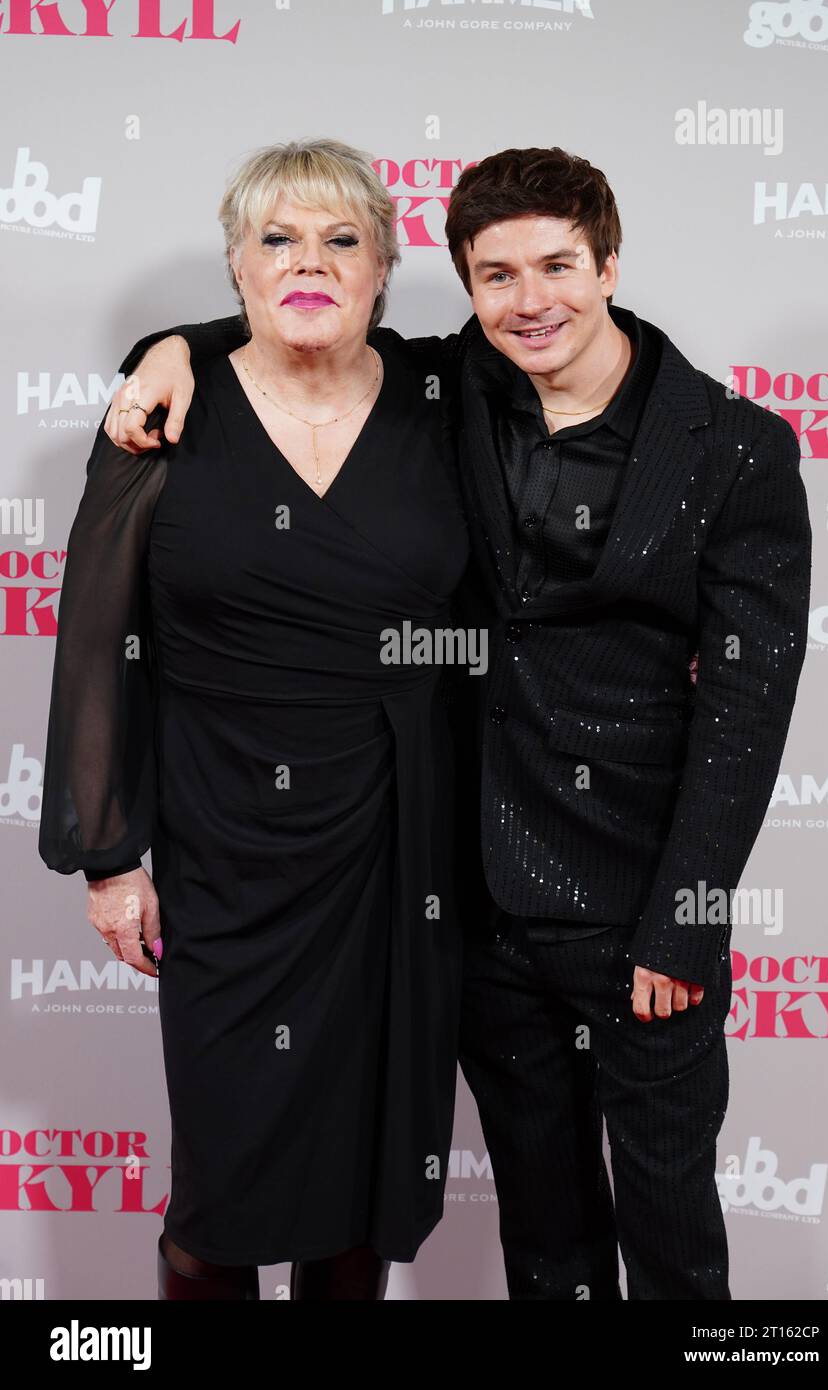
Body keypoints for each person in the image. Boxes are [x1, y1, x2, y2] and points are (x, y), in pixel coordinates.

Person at [103, 146, 812, 1300]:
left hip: (638, 905)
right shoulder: (450, 388)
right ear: (464, 288)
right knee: (542, 1231)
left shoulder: (731, 447)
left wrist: (684, 922)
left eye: (556, 267)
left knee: (671, 1233)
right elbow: (294, 312)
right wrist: (165, 350)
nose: (529, 301)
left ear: (609, 264)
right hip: (473, 896)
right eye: (495, 276)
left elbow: (747, 708)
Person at [38, 138, 471, 1301]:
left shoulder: (445, 396)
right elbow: (96, 631)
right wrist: (109, 855)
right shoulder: (164, 407)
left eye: (341, 240)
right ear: (236, 266)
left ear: (384, 265)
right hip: (223, 842)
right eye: (276, 238)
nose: (309, 263)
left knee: (368, 1176)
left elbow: (578, 364)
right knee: (221, 1196)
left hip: (395, 843)